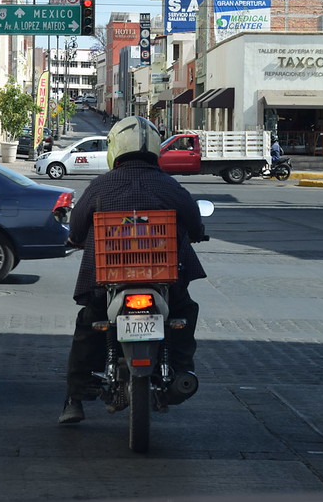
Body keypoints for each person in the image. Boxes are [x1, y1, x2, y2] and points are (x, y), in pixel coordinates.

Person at [58, 116, 207, 424]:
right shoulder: (170, 185)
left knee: (89, 326)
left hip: (108, 281)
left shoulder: (100, 186)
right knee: (184, 313)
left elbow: (77, 227)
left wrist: (74, 239)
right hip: (164, 277)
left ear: (115, 148)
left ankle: (76, 397)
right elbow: (194, 223)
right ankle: (181, 371)